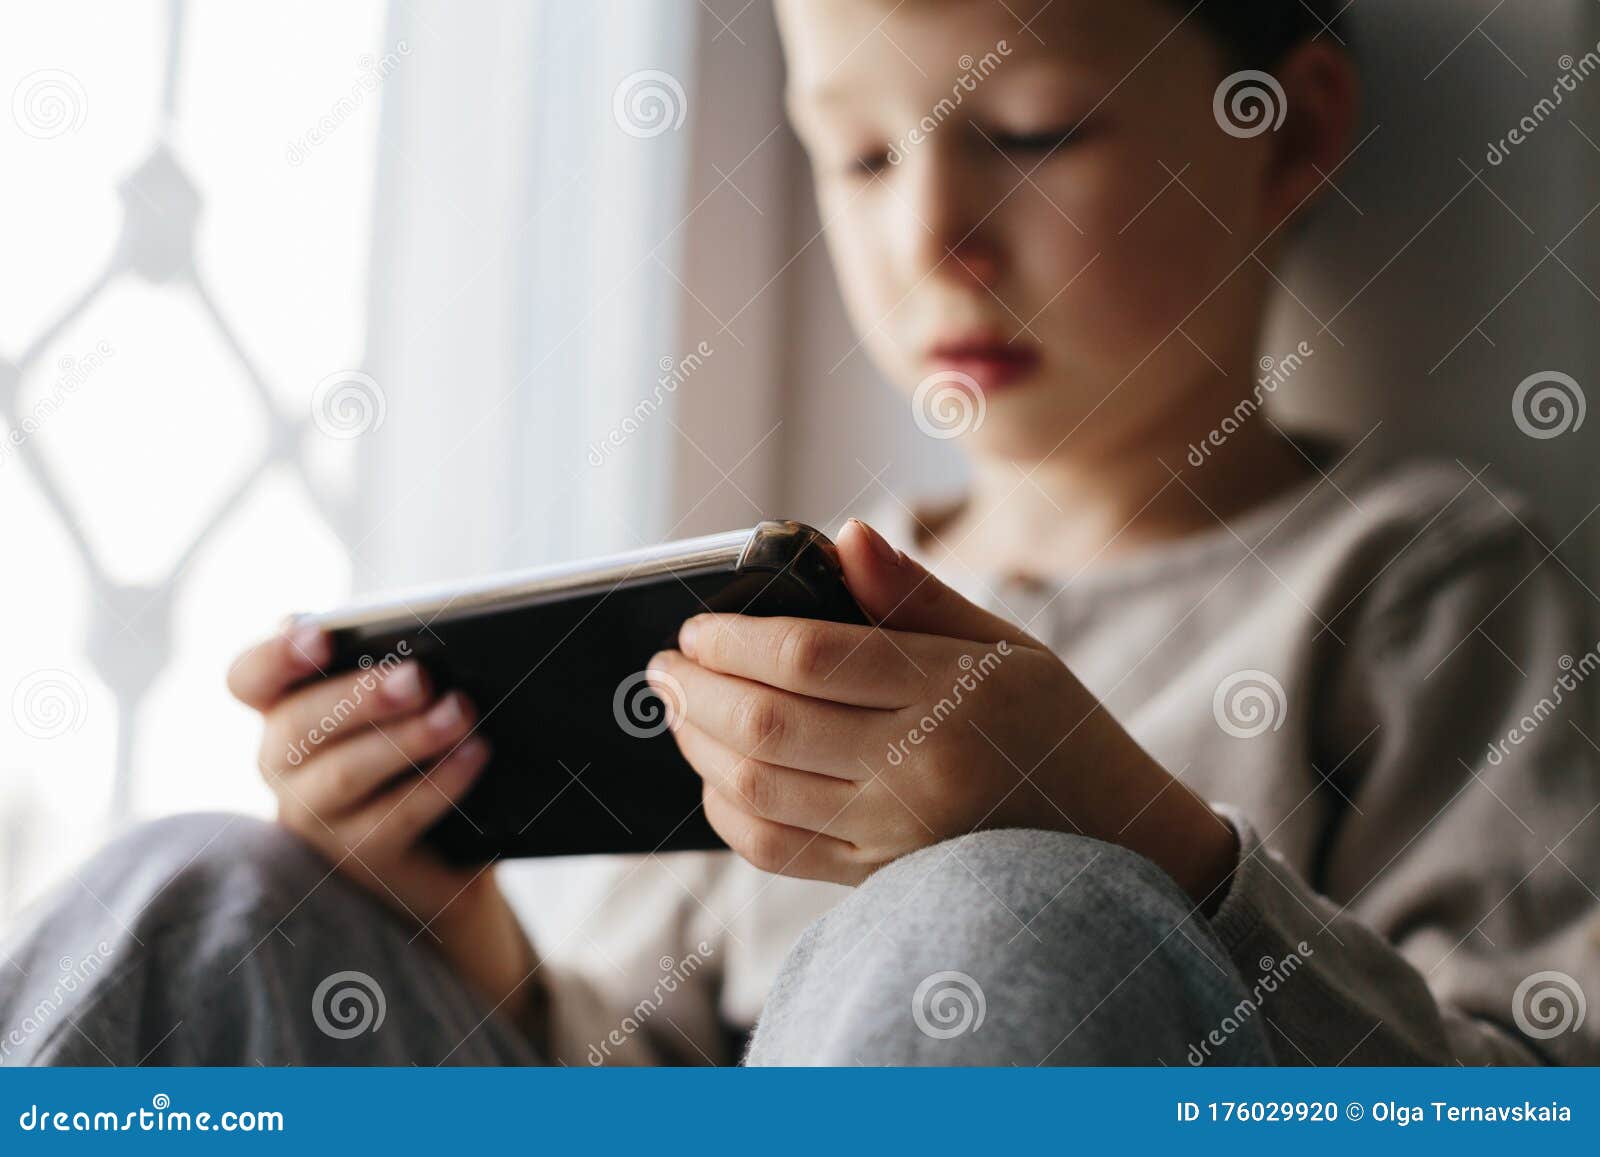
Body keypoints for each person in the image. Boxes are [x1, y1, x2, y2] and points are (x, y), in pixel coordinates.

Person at [3, 0, 1597, 1067]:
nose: (932, 235)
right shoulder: (790, 618)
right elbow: (640, 1070)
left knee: (992, 917)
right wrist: (448, 920)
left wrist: (1139, 842)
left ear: (1289, 131)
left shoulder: (1421, 583)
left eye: (1033, 131)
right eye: (861, 154)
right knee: (200, 890)